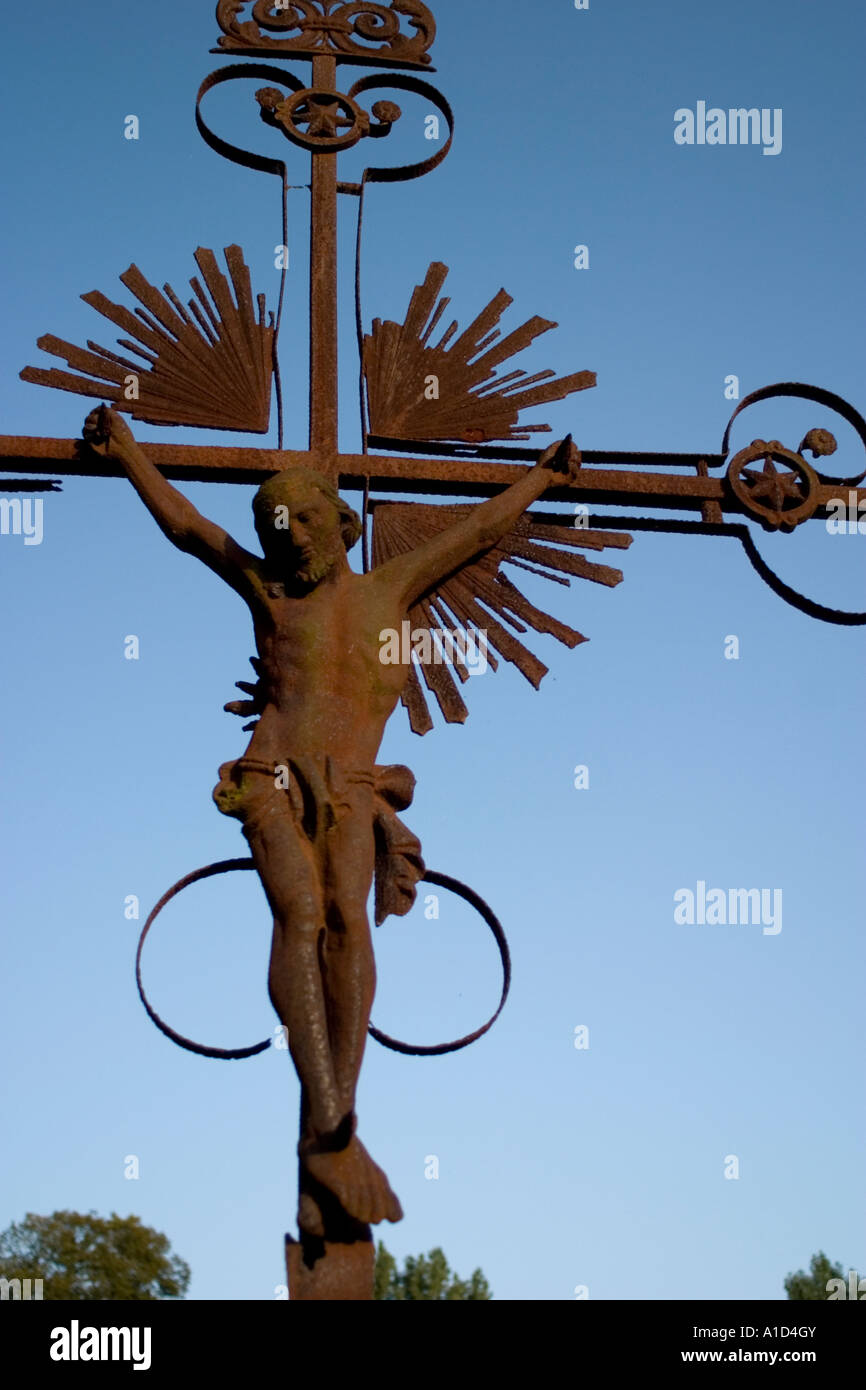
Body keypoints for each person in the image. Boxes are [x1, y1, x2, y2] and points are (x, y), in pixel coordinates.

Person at [83, 405, 581, 1235]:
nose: (289, 537)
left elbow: (484, 529)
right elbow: (190, 530)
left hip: (353, 783)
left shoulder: (393, 586)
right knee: (303, 914)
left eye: (305, 519)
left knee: (350, 922)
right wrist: (130, 451)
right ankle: (332, 1119)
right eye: (274, 527)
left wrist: (543, 474)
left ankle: (332, 1129)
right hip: (272, 773)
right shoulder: (267, 591)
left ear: (345, 523)